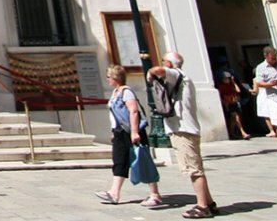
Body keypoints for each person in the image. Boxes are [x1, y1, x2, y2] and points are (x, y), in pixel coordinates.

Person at [148, 52, 219, 218]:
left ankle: (202, 207)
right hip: (184, 129)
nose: (162, 63)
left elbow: (157, 70)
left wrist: (150, 72)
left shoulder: (176, 74)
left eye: (164, 61)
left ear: (170, 64)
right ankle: (209, 202)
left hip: (184, 129)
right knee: (195, 168)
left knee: (194, 170)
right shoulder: (182, 79)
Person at [96, 64, 165, 208]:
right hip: (119, 132)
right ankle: (114, 193)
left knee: (143, 160)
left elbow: (133, 111)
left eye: (108, 77)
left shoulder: (126, 92)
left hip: (131, 132)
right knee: (119, 161)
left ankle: (155, 194)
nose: (107, 79)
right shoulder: (115, 92)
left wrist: (134, 132)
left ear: (115, 77)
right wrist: (113, 131)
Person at [216, 72, 252, 139]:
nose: (227, 80)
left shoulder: (232, 84)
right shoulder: (221, 86)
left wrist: (234, 82)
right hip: (228, 103)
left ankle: (231, 133)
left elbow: (238, 91)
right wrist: (224, 102)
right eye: (225, 78)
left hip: (234, 102)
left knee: (233, 119)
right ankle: (243, 133)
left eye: (228, 78)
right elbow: (220, 95)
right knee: (236, 117)